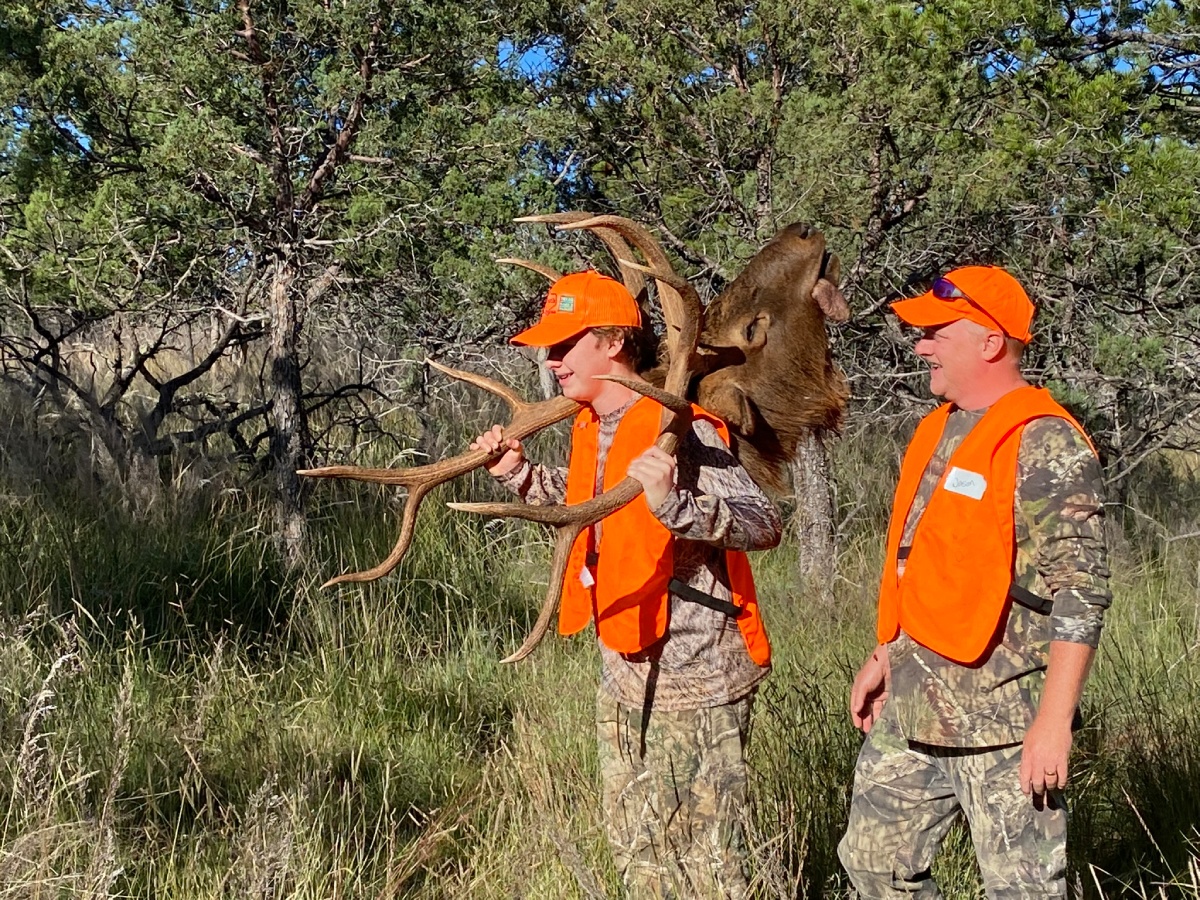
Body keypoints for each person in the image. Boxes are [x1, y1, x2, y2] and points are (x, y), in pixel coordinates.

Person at [471, 270, 781, 898]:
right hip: (623, 670)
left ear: (613, 341)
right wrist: (521, 475)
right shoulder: (592, 423)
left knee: (711, 863)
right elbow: (594, 504)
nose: (551, 359)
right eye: (548, 347)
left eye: (565, 344)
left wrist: (679, 504)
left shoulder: (682, 428)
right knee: (637, 851)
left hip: (696, 681)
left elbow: (763, 521)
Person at [837, 266, 1112, 898]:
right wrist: (886, 654)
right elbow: (928, 563)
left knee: (1023, 890)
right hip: (912, 705)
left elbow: (1081, 591)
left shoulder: (1047, 442)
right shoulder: (939, 427)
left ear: (991, 341)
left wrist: (1052, 722)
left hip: (1004, 724)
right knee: (873, 868)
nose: (920, 344)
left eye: (936, 332)